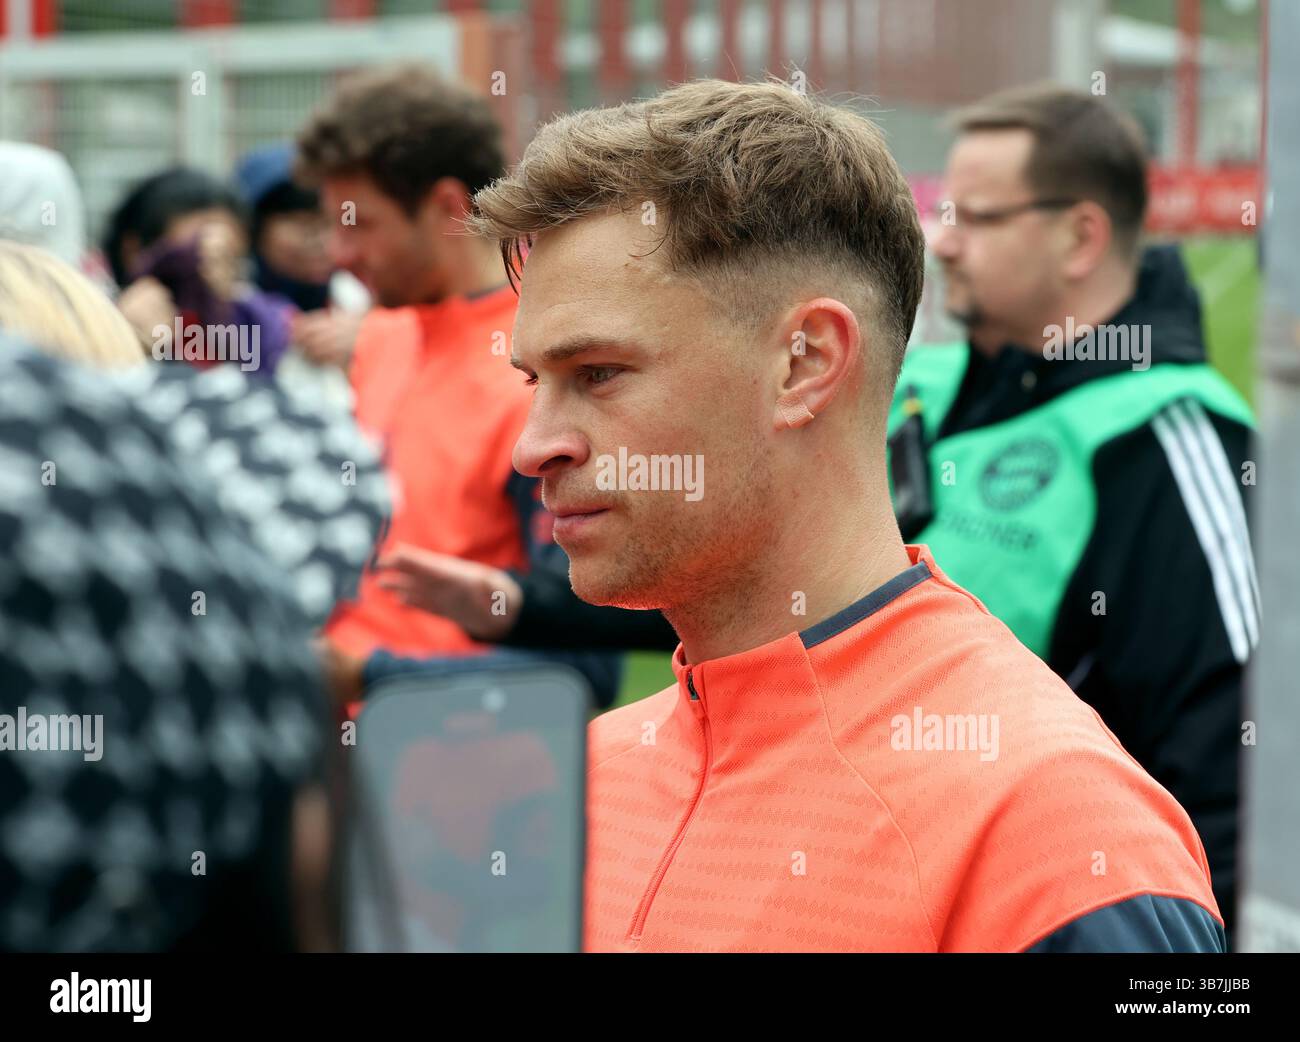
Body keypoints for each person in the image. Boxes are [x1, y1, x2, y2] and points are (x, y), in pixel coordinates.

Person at [470, 78, 1224, 952]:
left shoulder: (1049, 834)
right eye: (535, 382)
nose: (533, 447)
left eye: (598, 372)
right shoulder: (598, 776)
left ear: (805, 364)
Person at [901, 83, 1253, 936]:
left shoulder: (1169, 439)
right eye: (945, 211)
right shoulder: (922, 385)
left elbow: (1231, 782)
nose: (943, 243)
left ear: (1080, 237)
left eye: (976, 218)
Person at [296, 64, 620, 708]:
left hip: (458, 751)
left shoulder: (540, 368)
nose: (338, 250)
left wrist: (371, 676)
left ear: (446, 208)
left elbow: (583, 656)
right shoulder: (384, 336)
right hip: (341, 740)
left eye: (360, 224)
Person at [105, 167, 293, 376]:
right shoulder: (103, 321)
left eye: (227, 257)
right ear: (134, 251)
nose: (215, 272)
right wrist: (123, 341)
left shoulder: (259, 320)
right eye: (197, 251)